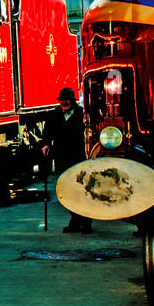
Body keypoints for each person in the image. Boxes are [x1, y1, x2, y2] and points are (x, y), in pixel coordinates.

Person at [43, 86, 92, 234]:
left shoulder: (81, 113)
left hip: (78, 158)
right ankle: (76, 220)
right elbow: (47, 133)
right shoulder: (54, 115)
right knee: (67, 191)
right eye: (62, 100)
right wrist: (45, 144)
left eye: (67, 100)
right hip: (61, 158)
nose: (64, 102)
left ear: (72, 100)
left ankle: (85, 222)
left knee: (81, 190)